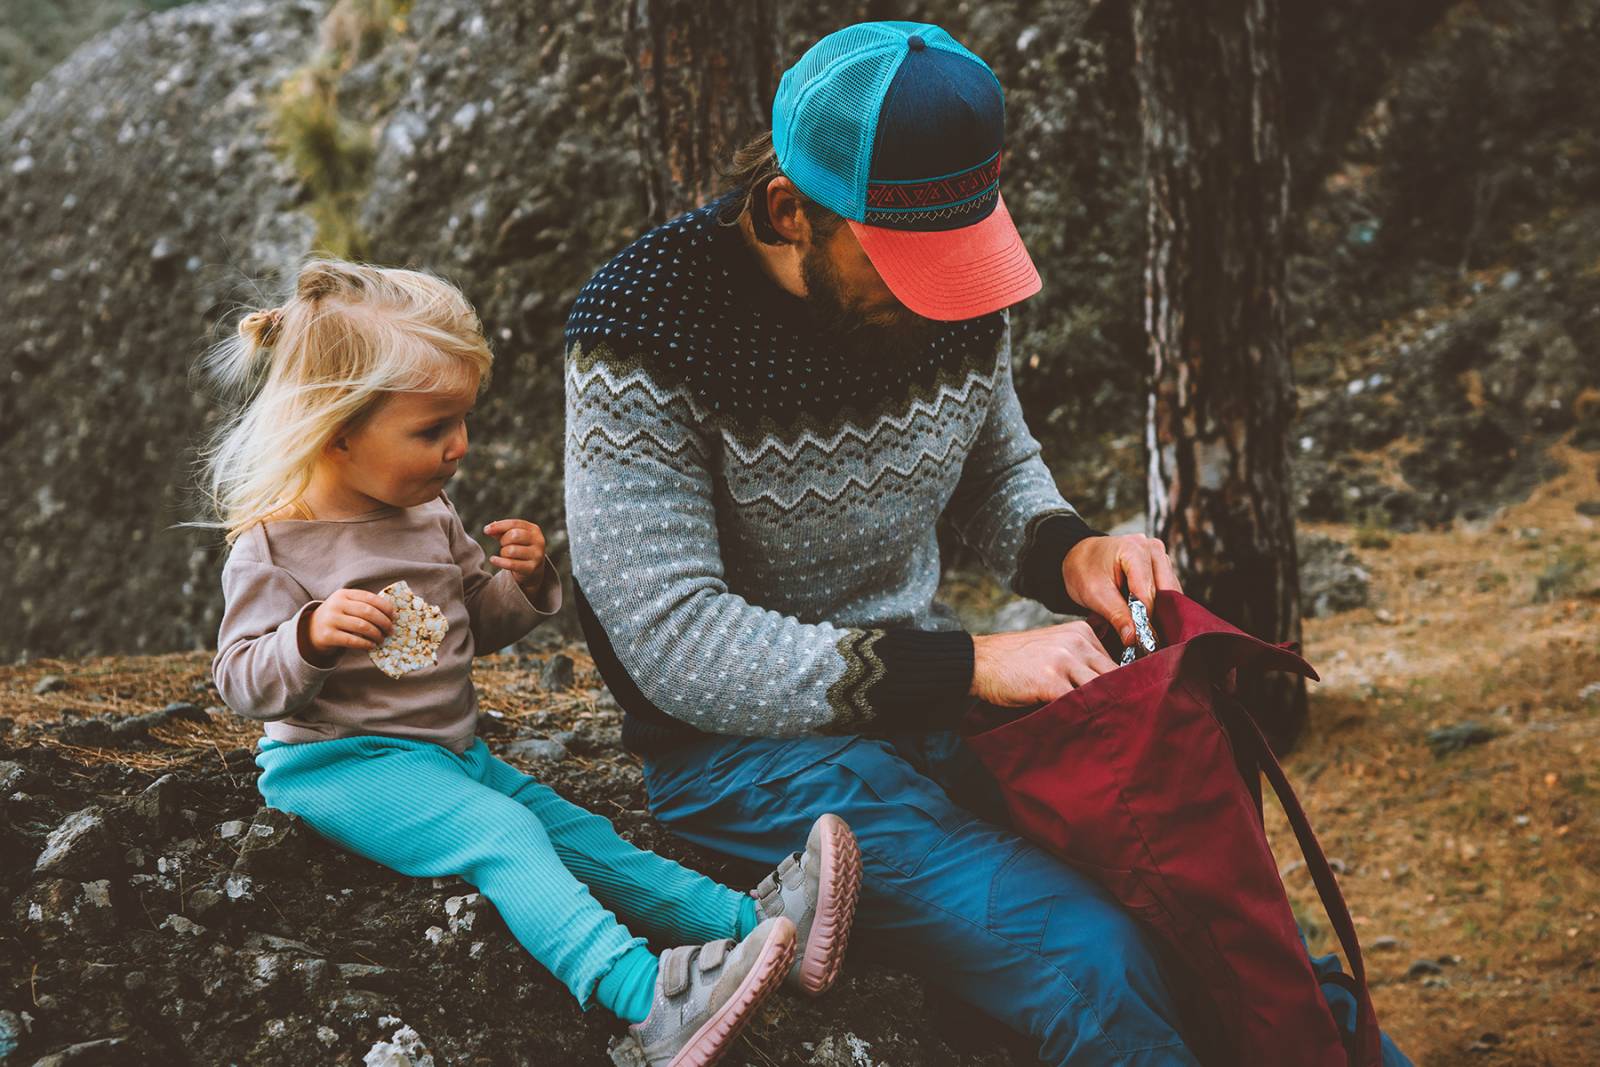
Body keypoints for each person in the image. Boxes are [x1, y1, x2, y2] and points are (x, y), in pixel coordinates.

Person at [564, 21, 1408, 1065]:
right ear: (791, 209)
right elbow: (671, 638)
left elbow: (992, 472)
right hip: (745, 761)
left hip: (934, 706)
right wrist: (965, 661)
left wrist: (1070, 552)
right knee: (1090, 960)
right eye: (908, 263)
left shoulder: (956, 291)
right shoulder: (642, 331)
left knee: (1223, 932)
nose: (943, 300)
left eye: (962, 259)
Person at [201, 258, 861, 1067]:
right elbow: (238, 677)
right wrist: (306, 637)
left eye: (463, 419)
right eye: (431, 428)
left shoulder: (428, 515)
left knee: (580, 834)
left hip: (449, 755)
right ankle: (650, 999)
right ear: (338, 428)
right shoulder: (275, 542)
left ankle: (750, 928)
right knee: (505, 834)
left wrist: (524, 582)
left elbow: (469, 623)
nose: (460, 446)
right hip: (339, 764)